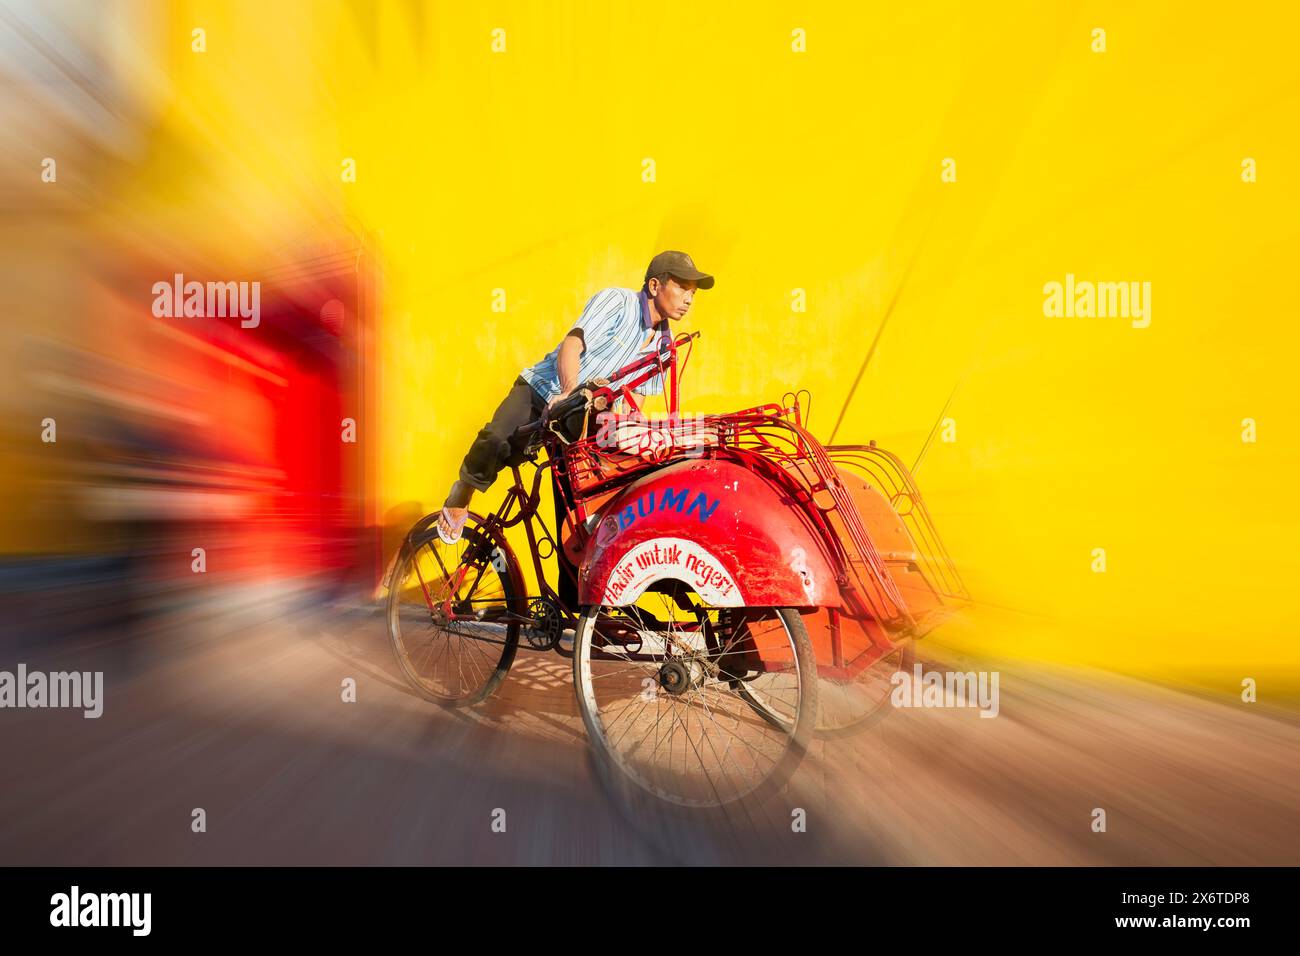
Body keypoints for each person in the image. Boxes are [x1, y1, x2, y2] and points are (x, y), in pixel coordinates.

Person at [436, 250, 714, 548]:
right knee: (496, 438)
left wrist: (629, 429)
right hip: (546, 390)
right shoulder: (618, 302)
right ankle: (463, 492)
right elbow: (572, 344)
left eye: (693, 293)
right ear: (655, 286)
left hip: (581, 420)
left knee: (579, 513)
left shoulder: (664, 345)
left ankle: (575, 576)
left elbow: (637, 396)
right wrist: (568, 392)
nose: (688, 299)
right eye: (682, 288)